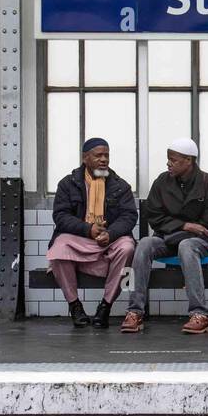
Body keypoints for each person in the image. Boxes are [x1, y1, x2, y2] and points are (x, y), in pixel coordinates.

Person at [121, 138, 208, 335]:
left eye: (174, 160)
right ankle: (134, 311)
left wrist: (179, 231)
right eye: (168, 159)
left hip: (201, 241)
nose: (168, 163)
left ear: (189, 160)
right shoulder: (162, 182)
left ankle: (200, 314)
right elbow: (154, 215)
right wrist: (184, 225)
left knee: (187, 246)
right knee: (144, 244)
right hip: (169, 237)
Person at [47, 137, 137, 328]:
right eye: (98, 155)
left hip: (108, 241)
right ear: (85, 158)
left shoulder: (120, 186)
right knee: (59, 248)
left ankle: (105, 306)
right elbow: (61, 216)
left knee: (128, 247)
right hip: (81, 238)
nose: (104, 159)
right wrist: (88, 229)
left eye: (107, 155)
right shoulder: (68, 184)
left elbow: (129, 217)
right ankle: (75, 306)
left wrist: (110, 233)